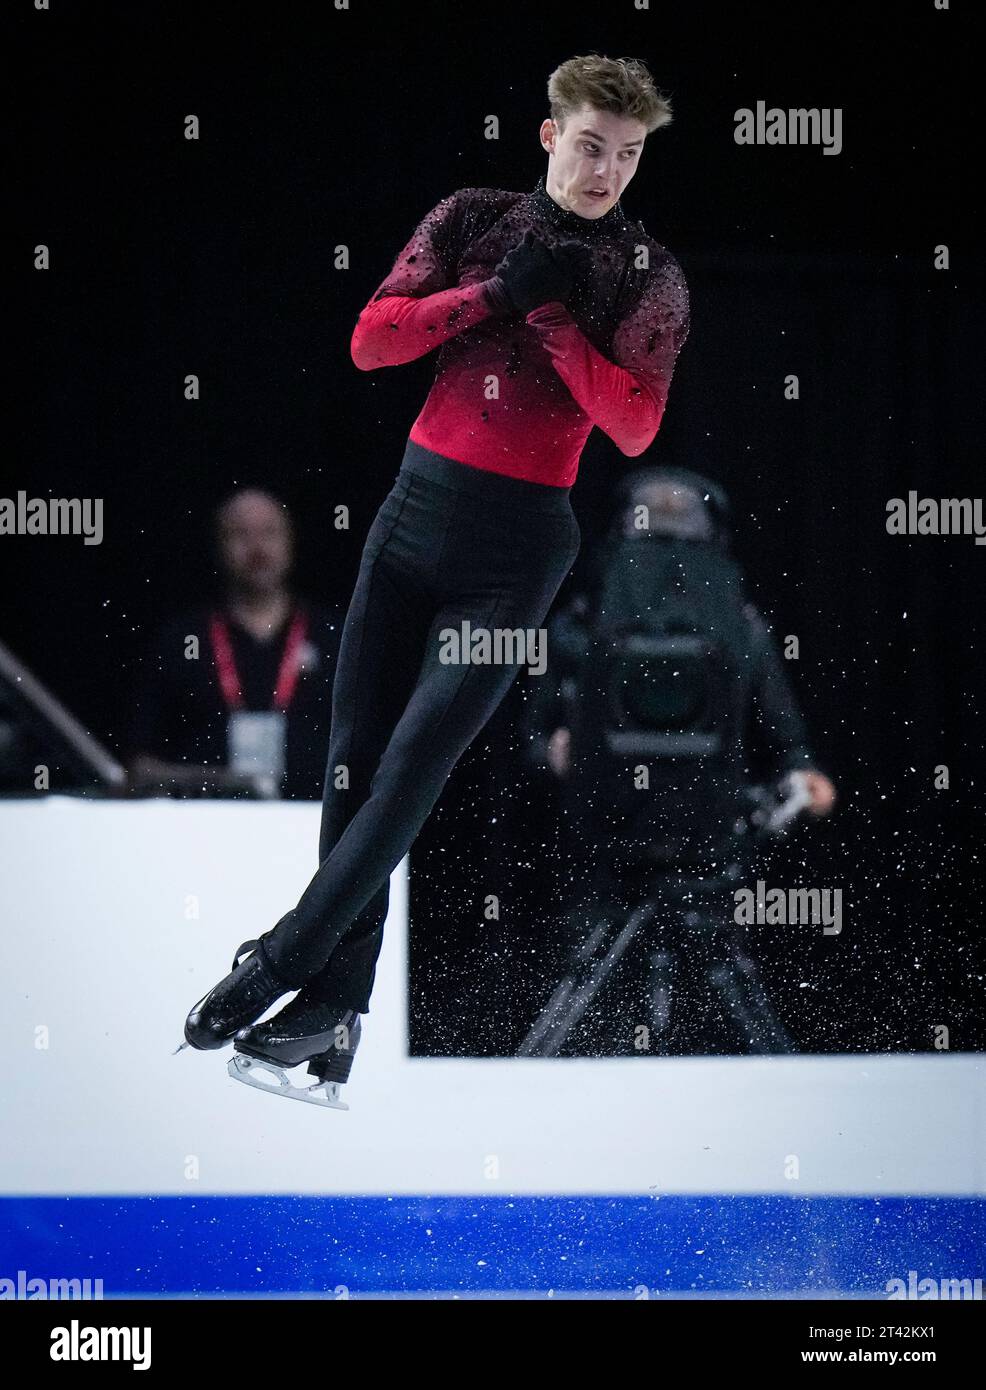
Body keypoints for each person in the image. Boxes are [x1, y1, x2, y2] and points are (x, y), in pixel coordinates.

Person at [182, 53, 692, 1105]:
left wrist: (553, 324)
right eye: (591, 145)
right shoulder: (471, 217)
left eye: (628, 154)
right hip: (412, 514)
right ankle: (331, 1013)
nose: (606, 171)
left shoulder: (646, 273)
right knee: (352, 758)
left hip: (516, 548)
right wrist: (494, 295)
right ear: (550, 135)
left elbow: (636, 424)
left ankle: (282, 962)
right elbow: (371, 342)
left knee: (412, 764)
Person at [128, 488, 344, 800]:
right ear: (218, 545)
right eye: (240, 534)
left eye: (269, 532)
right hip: (201, 827)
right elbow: (140, 764)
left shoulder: (335, 636)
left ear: (291, 540)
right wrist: (221, 782)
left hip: (313, 827)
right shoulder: (181, 640)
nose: (257, 548)